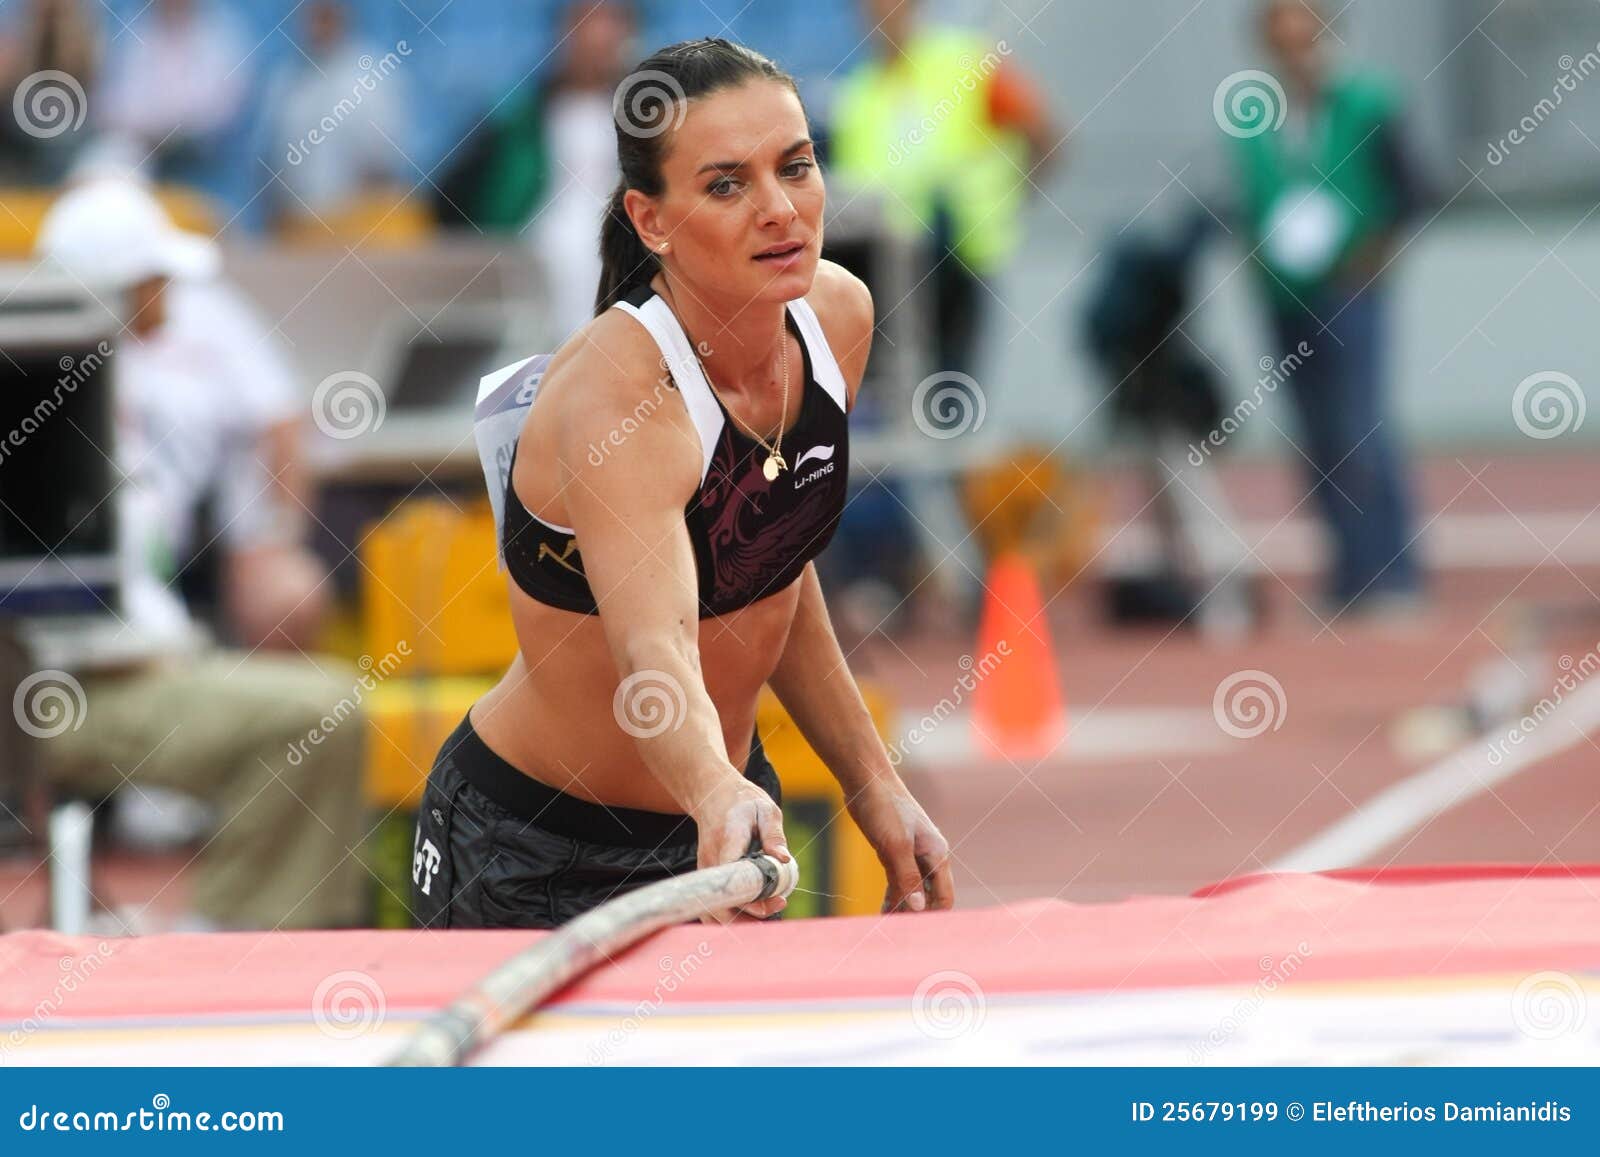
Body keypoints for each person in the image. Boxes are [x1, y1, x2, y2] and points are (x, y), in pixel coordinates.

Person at [411, 38, 953, 930]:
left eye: (797, 166)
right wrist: (709, 786)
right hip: (535, 843)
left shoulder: (837, 317)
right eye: (727, 184)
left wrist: (874, 783)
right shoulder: (621, 394)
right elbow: (650, 655)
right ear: (651, 219)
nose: (781, 210)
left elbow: (773, 570)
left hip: (727, 807)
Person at [33, 176, 367, 931]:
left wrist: (265, 541)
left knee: (326, 705)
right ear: (116, 291)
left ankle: (252, 929)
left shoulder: (103, 388)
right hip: (69, 683)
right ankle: (232, 941)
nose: (171, 296)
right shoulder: (44, 408)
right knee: (317, 713)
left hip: (128, 659)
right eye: (155, 280)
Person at [1228, 0, 1425, 616]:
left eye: (1304, 36)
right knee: (1315, 438)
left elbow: (1415, 187)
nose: (1294, 52)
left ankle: (1391, 575)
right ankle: (1347, 575)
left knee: (1360, 429)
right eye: (1280, 39)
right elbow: (1248, 196)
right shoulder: (1254, 115)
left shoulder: (1368, 102)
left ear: (1326, 35)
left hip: (1350, 288)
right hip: (1283, 294)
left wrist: (1376, 254)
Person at [264, 0, 411, 225]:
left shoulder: (374, 77)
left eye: (325, 14)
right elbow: (273, 171)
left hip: (357, 224)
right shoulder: (285, 81)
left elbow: (384, 167)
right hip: (299, 225)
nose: (316, 25)